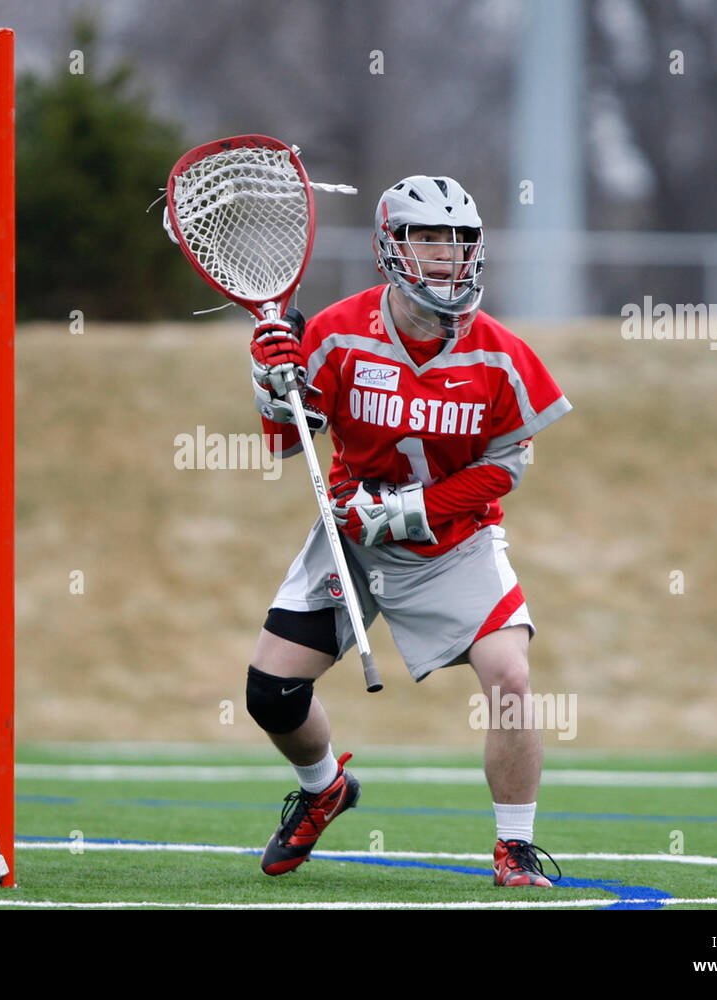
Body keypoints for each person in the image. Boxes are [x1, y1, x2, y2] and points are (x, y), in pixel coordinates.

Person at [246, 174, 571, 886]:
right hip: (353, 539)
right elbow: (284, 444)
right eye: (427, 236)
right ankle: (324, 786)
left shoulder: (499, 354)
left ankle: (515, 847)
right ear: (389, 246)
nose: (445, 254)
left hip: (456, 544)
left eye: (458, 239)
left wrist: (418, 511)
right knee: (270, 695)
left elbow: (508, 466)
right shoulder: (337, 332)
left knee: (511, 677)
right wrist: (271, 389)